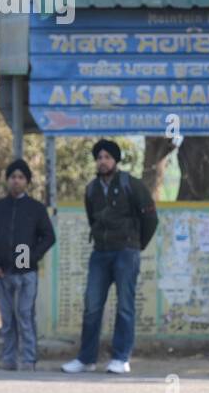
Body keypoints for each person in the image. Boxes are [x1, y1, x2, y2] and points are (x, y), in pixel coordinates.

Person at [62, 139, 158, 375]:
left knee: (125, 306)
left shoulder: (132, 185)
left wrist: (136, 245)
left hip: (127, 252)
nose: (102, 161)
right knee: (92, 306)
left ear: (115, 160)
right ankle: (86, 359)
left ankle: (121, 357)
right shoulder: (91, 189)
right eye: (99, 157)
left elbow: (151, 219)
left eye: (107, 157)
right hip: (100, 253)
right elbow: (92, 219)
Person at [0, 159, 55, 370]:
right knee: (7, 319)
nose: (16, 181)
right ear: (7, 180)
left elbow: (49, 236)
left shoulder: (36, 208)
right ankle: (8, 359)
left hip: (26, 272)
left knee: (25, 315)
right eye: (13, 177)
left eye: (21, 177)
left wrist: (32, 257)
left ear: (27, 181)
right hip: (2, 272)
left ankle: (29, 359)